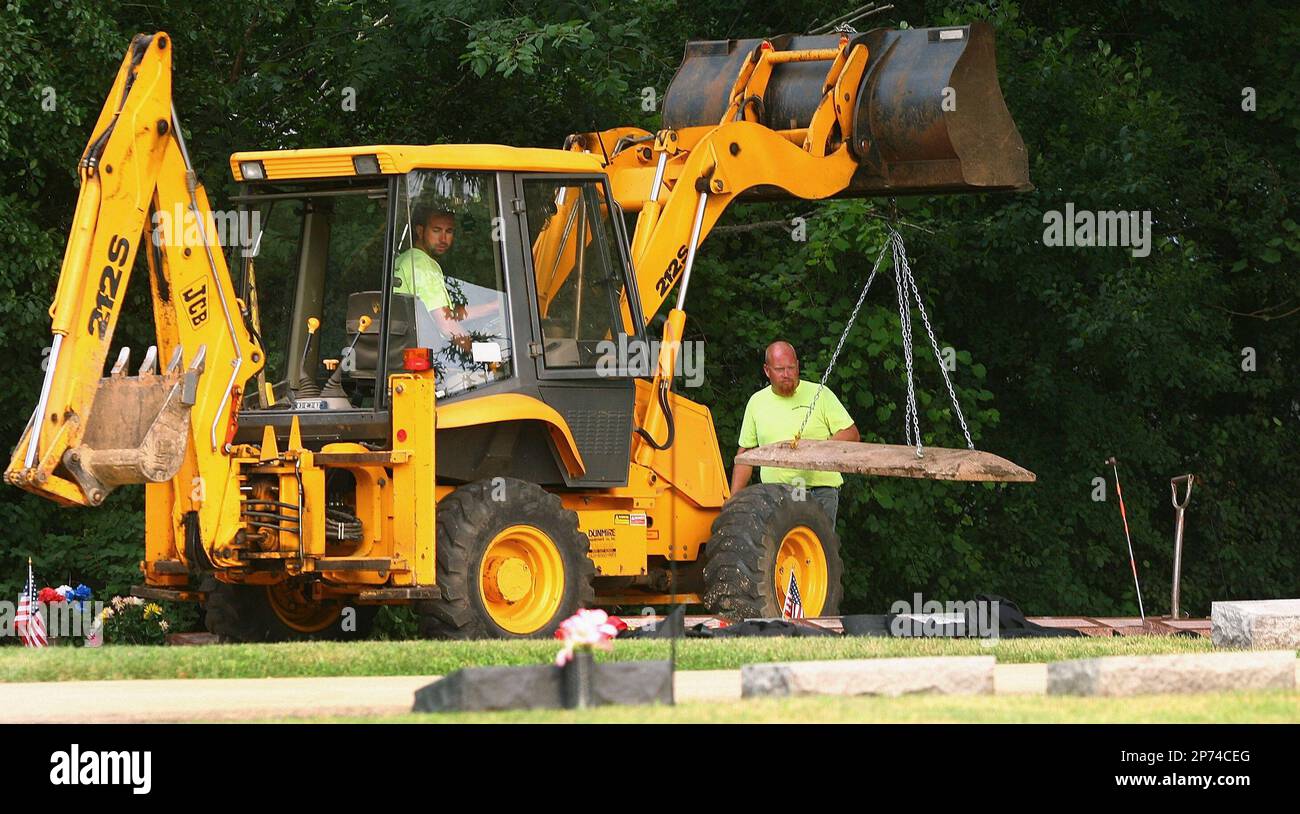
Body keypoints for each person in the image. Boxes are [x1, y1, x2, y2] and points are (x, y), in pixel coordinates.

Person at [730, 340, 859, 525]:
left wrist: (815, 450)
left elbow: (851, 434)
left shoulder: (820, 394)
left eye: (791, 368)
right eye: (780, 369)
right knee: (776, 551)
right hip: (775, 493)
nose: (786, 374)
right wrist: (733, 502)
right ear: (767, 371)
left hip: (819, 490)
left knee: (816, 550)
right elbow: (744, 457)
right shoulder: (756, 402)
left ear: (798, 366)